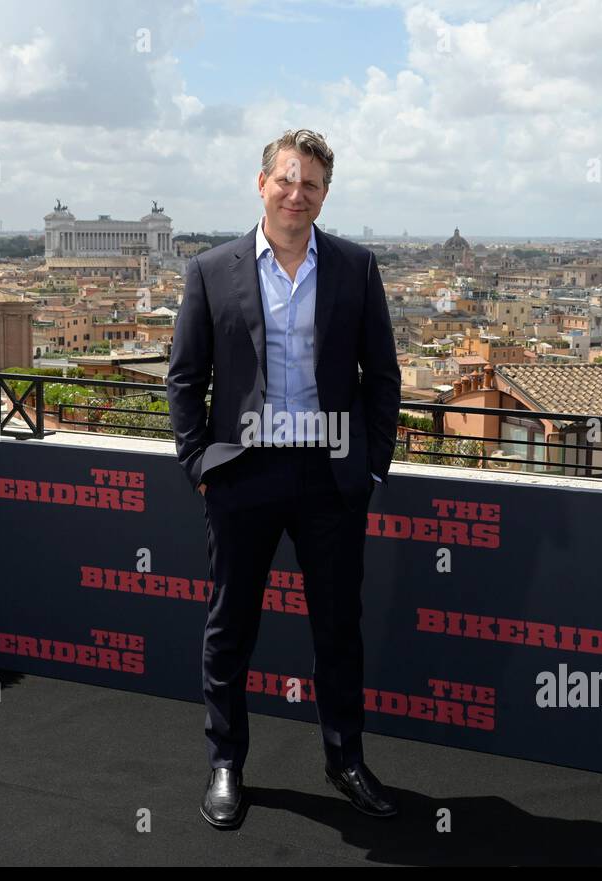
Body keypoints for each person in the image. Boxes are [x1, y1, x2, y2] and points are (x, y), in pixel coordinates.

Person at [167, 128, 402, 829]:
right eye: (287, 180)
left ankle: (346, 760)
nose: (297, 194)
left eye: (312, 185)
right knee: (230, 625)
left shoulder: (357, 269)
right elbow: (185, 378)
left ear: (325, 196)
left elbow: (382, 376)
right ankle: (226, 763)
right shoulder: (212, 270)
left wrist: (372, 465)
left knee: (338, 628)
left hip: (330, 475)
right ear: (261, 183)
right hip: (244, 471)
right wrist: (199, 463)